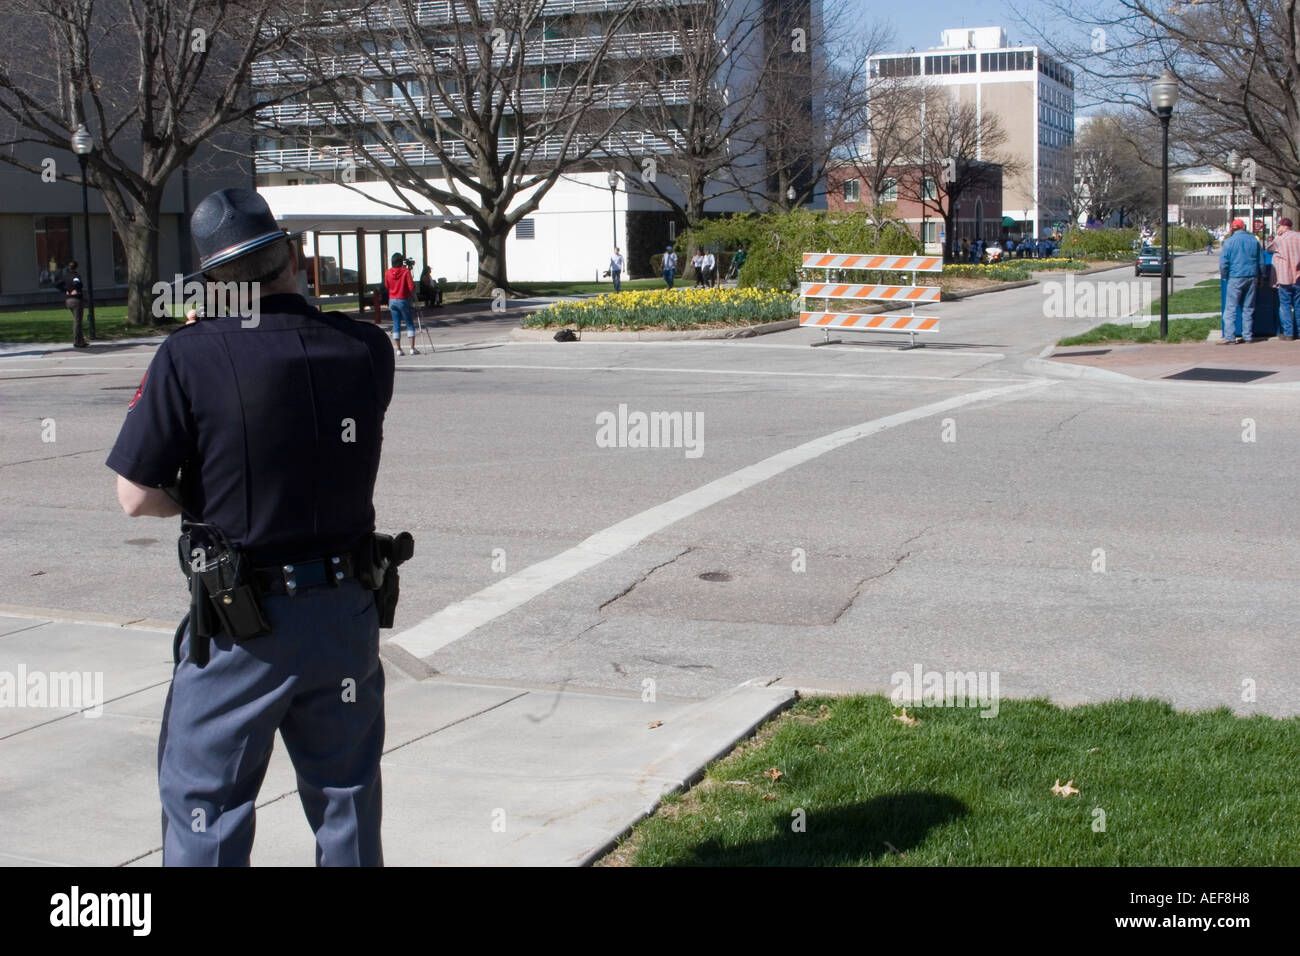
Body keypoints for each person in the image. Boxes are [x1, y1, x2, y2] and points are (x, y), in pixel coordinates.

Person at [105, 187, 396, 866]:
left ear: (214, 281)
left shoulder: (190, 356)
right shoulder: (366, 349)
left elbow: (134, 495)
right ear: (293, 253)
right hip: (347, 610)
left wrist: (203, 498)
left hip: (245, 624)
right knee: (347, 798)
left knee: (208, 807)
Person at [1220, 218, 1261, 343]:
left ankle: (1230, 337)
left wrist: (1224, 275)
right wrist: (1262, 275)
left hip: (1235, 276)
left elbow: (1224, 263)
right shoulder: (1254, 241)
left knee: (1230, 309)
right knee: (1248, 308)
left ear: (1233, 228)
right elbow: (1261, 261)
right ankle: (1247, 336)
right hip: (1252, 276)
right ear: (1243, 227)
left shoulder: (1228, 242)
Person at [1267, 217, 1300, 340]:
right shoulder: (1298, 236)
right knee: (1298, 305)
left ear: (1282, 227)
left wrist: (1277, 235)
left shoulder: (1279, 239)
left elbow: (1269, 249)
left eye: (1278, 226)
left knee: (1285, 305)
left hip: (1284, 276)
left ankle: (1288, 333)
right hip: (1298, 276)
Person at [385, 252, 419, 355]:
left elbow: (387, 286)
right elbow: (411, 287)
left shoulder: (388, 272)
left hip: (392, 300)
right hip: (403, 299)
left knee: (396, 324)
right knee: (409, 323)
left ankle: (399, 349)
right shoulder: (405, 272)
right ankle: (412, 348)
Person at [61, 260, 88, 348]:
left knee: (77, 320)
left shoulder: (65, 276)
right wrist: (74, 289)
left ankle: (81, 340)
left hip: (68, 300)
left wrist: (66, 290)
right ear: (76, 267)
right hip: (76, 300)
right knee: (77, 321)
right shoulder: (75, 276)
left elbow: (57, 284)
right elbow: (77, 283)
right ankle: (77, 341)